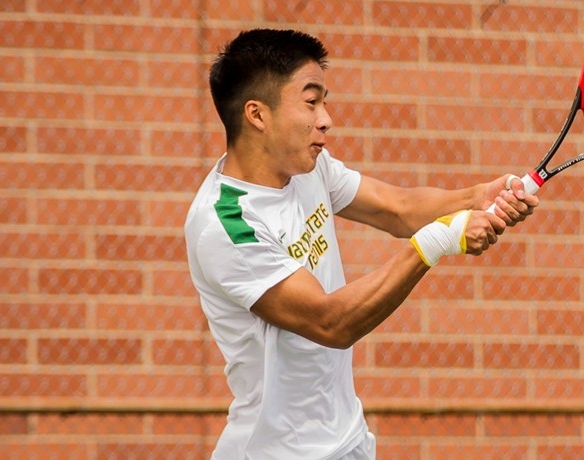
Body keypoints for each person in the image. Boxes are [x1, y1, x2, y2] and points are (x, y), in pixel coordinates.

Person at [184, 28, 538, 460]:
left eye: (324, 102)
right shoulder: (227, 224)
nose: (326, 119)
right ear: (258, 115)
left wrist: (477, 196)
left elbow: (398, 209)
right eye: (311, 102)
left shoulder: (309, 168)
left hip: (347, 439)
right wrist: (439, 240)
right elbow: (329, 322)